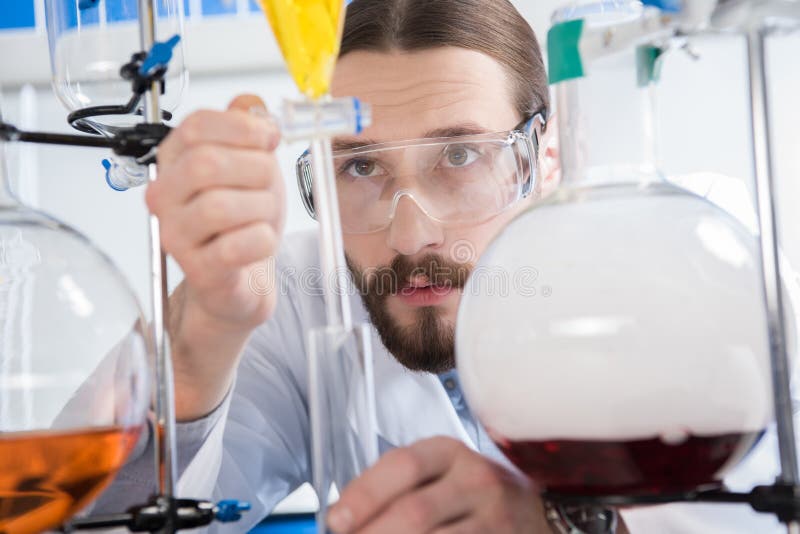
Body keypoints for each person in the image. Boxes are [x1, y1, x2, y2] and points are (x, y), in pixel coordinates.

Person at [95, 0, 795, 532]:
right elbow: (92, 519)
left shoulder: (700, 252)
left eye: (460, 156)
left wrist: (560, 527)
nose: (410, 235)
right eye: (361, 166)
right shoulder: (295, 296)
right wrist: (200, 341)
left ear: (546, 155)